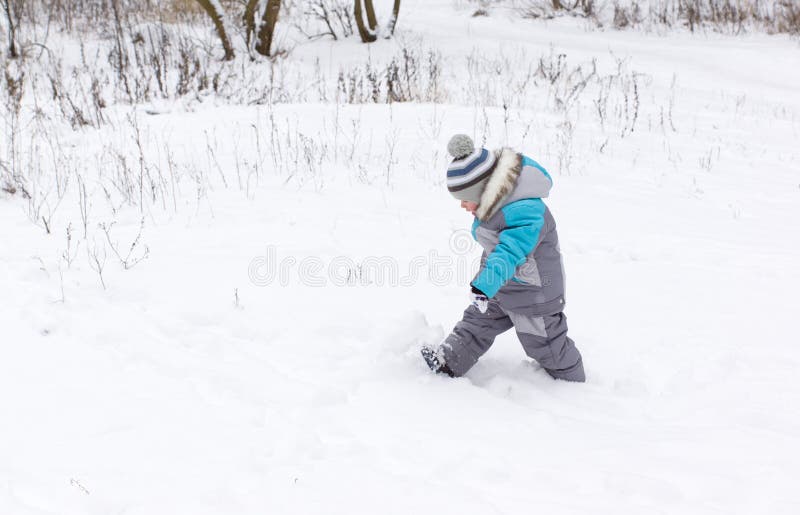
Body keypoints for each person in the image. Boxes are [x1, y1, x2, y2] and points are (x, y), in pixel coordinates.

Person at [421, 134, 585, 382]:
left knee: (545, 345)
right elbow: (493, 253)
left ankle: (572, 383)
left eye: (465, 199)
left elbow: (510, 252)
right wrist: (485, 285)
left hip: (534, 294)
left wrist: (485, 284)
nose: (463, 206)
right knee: (475, 324)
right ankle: (447, 361)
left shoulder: (526, 211)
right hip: (501, 289)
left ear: (481, 191)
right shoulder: (496, 207)